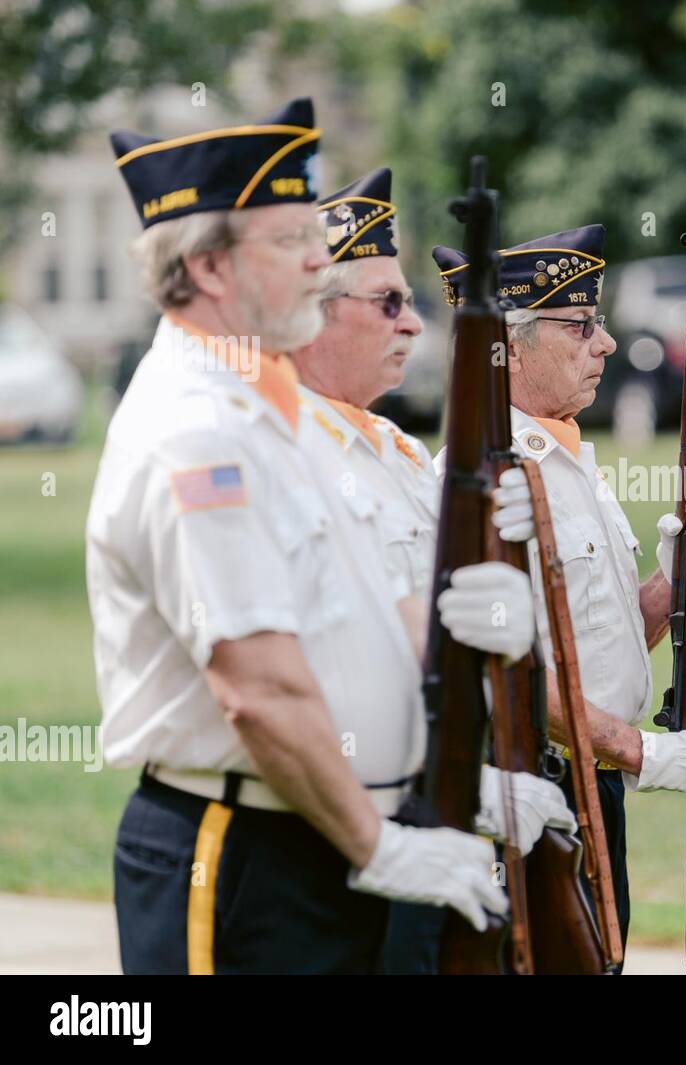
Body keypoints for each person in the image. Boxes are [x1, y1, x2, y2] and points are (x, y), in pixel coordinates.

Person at [89, 99, 524, 974]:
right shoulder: (198, 427)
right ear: (210, 266)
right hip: (248, 850)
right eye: (291, 240)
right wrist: (381, 845)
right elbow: (260, 687)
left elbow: (364, 611)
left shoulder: (271, 410)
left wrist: (477, 636)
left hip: (323, 835)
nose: (322, 261)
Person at [433, 226, 686, 958]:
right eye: (579, 326)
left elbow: (587, 644)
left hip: (592, 789)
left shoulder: (564, 455)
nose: (604, 344)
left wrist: (677, 579)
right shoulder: (482, 475)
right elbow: (504, 676)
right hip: (533, 792)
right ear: (508, 346)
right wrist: (642, 749)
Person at [290, 168, 575, 972]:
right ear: (313, 312)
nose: (415, 324)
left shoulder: (401, 453)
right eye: (389, 302)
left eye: (411, 300)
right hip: (350, 826)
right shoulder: (288, 452)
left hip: (443, 802)